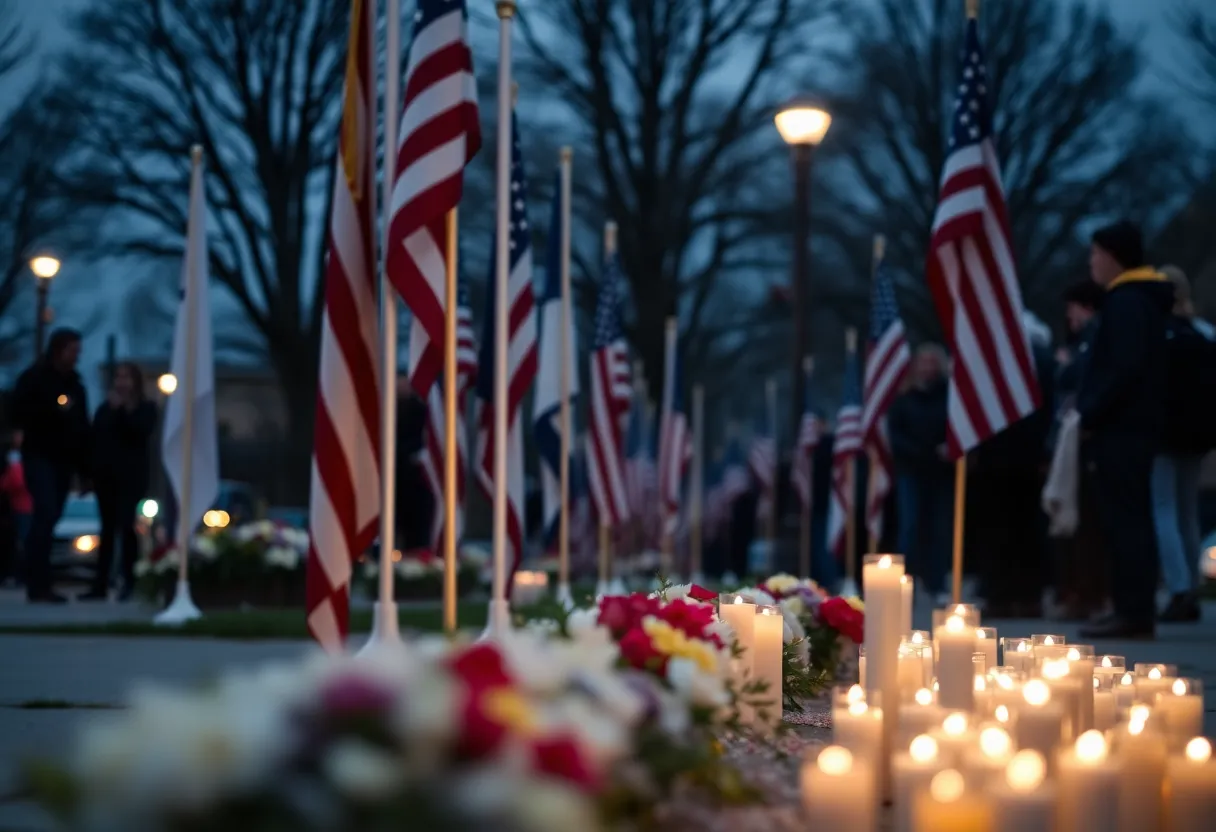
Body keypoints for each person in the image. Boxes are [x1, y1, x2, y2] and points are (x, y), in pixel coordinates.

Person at [1076, 221, 1173, 640]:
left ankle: (1133, 611)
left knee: (1126, 521)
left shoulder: (1128, 302)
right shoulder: (1134, 301)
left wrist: (1091, 412)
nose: (1091, 263)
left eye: (1096, 253)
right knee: (1125, 519)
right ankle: (1128, 607)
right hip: (1130, 425)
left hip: (1123, 428)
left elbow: (1124, 367)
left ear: (1113, 256)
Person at [972, 312, 1056, 618]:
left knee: (1016, 528)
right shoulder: (996, 359)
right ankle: (1011, 594)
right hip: (1010, 456)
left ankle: (1013, 595)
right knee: (1011, 528)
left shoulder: (1021, 360)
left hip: (1016, 455)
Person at [1152, 266, 1215, 622]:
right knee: (1187, 513)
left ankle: (1178, 588)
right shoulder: (1201, 333)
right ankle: (1190, 585)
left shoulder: (1159, 334)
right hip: (1196, 436)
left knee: (1164, 510)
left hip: (1164, 434)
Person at [11, 328, 92, 603]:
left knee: (51, 515)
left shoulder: (76, 387)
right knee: (44, 512)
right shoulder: (35, 379)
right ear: (59, 350)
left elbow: (81, 430)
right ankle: (37, 580)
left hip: (63, 460)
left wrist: (85, 472)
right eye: (72, 350)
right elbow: (18, 411)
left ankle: (35, 572)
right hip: (39, 455)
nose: (76, 356)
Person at [1051, 280, 1108, 621]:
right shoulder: (1083, 340)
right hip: (1073, 436)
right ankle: (1079, 590)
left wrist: (1066, 365)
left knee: (1087, 522)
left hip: (1085, 439)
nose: (1068, 316)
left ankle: (1089, 593)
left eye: (1072, 308)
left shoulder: (1093, 338)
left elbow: (1074, 376)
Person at [84, 362, 156, 601]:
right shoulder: (104, 409)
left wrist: (123, 411)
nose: (121, 383)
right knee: (106, 529)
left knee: (126, 527)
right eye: (118, 377)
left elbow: (138, 432)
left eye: (126, 378)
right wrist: (89, 474)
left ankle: (129, 581)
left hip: (131, 478)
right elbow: (95, 440)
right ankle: (100, 584)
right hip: (106, 478)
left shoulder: (145, 408)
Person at [888, 344, 952, 605]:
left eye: (932, 362)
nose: (927, 368)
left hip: (941, 473)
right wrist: (921, 452)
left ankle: (937, 583)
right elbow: (895, 435)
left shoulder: (949, 397)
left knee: (940, 528)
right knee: (910, 527)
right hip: (911, 471)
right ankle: (907, 582)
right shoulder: (905, 398)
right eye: (923, 362)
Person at [0, 432, 33, 585]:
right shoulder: (12, 457)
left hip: (24, 506)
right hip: (18, 506)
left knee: (23, 541)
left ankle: (22, 574)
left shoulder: (20, 460)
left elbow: (15, 482)